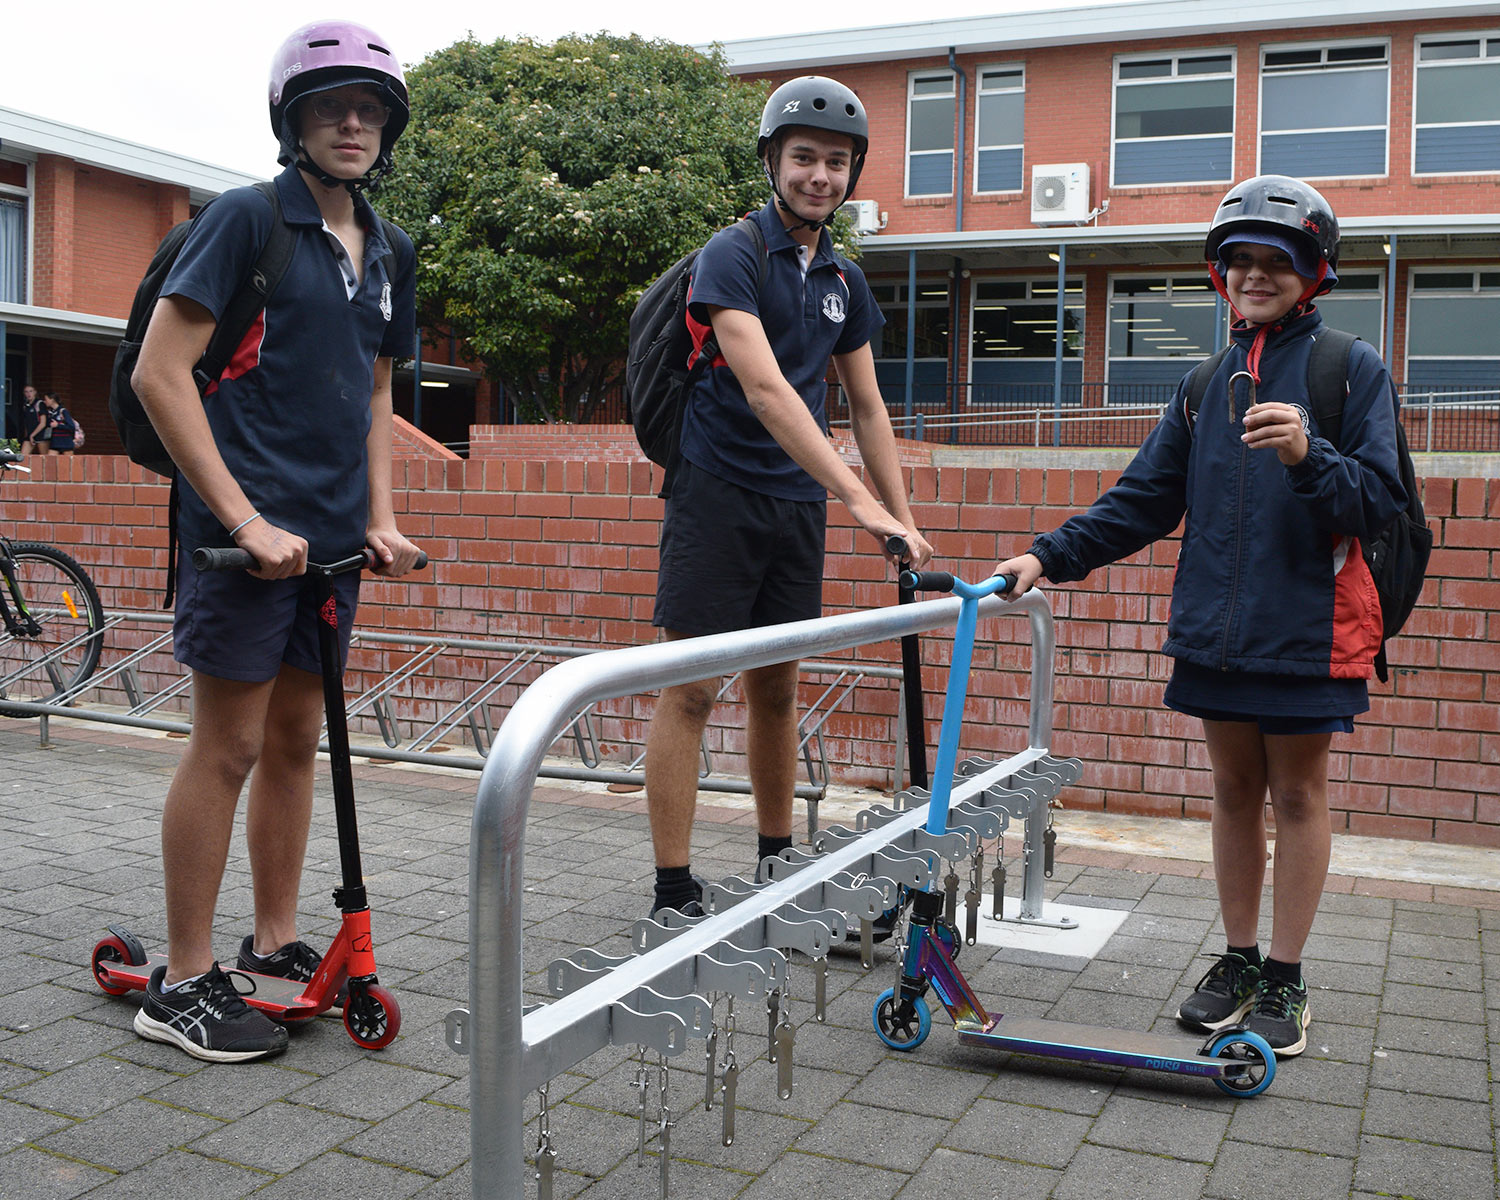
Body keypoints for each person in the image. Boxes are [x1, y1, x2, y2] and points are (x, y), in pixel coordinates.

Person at [995, 175, 1405, 1057]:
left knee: (1296, 794)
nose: (1255, 276)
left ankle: (1286, 982)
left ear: (1312, 273)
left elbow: (1378, 500)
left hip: (1307, 628)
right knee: (1229, 792)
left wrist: (1308, 451)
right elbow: (1141, 500)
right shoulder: (1202, 381)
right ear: (1222, 275)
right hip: (1216, 632)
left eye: (1276, 263)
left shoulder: (1348, 368)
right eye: (1240, 262)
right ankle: (1239, 959)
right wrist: (1045, 556)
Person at [129, 20, 420, 1062]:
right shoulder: (249, 223)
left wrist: (379, 518)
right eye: (332, 105)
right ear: (292, 120)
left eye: (371, 108)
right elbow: (160, 374)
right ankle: (184, 978)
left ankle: (277, 940)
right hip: (241, 540)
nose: (355, 122)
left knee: (298, 741)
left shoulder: (388, 248)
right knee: (231, 745)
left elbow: (378, 391)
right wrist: (245, 519)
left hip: (331, 548)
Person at [644, 76, 932, 920]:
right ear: (773, 161)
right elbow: (769, 392)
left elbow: (869, 407)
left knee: (776, 687)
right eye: (804, 157)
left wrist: (903, 520)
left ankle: (778, 869)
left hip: (795, 506)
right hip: (718, 492)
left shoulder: (842, 276)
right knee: (691, 688)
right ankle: (672, 889)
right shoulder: (732, 254)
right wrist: (857, 501)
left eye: (837, 163)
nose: (820, 175)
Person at [20, 385, 49, 456]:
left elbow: (43, 423)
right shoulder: (26, 406)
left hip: (41, 434)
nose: (28, 394)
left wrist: (33, 435)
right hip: (30, 435)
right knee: (22, 457)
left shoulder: (40, 404)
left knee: (45, 458)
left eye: (31, 391)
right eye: (26, 392)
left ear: (35, 392)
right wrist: (28, 435)